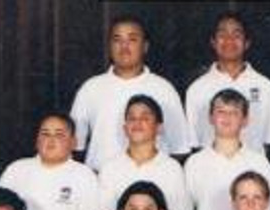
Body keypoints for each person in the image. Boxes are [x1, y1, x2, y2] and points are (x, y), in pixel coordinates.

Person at [70, 14, 193, 171]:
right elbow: (75, 146)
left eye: (132, 40)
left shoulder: (163, 89)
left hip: (150, 183)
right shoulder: (91, 88)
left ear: (145, 46)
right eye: (117, 40)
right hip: (101, 181)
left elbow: (179, 148)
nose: (124, 47)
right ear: (109, 46)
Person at [184, 89, 270, 210]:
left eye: (234, 112)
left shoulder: (260, 163)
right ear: (211, 118)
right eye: (221, 112)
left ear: (245, 120)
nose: (226, 118)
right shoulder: (194, 164)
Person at [96, 95, 192, 210]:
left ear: (159, 127)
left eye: (145, 118)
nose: (137, 123)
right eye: (131, 118)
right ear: (125, 127)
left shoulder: (172, 168)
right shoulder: (110, 168)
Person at [185, 11, 270, 155]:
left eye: (236, 35)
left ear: (247, 43)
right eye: (222, 35)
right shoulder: (196, 89)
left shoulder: (266, 87)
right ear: (213, 42)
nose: (229, 40)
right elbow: (194, 142)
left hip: (253, 170)